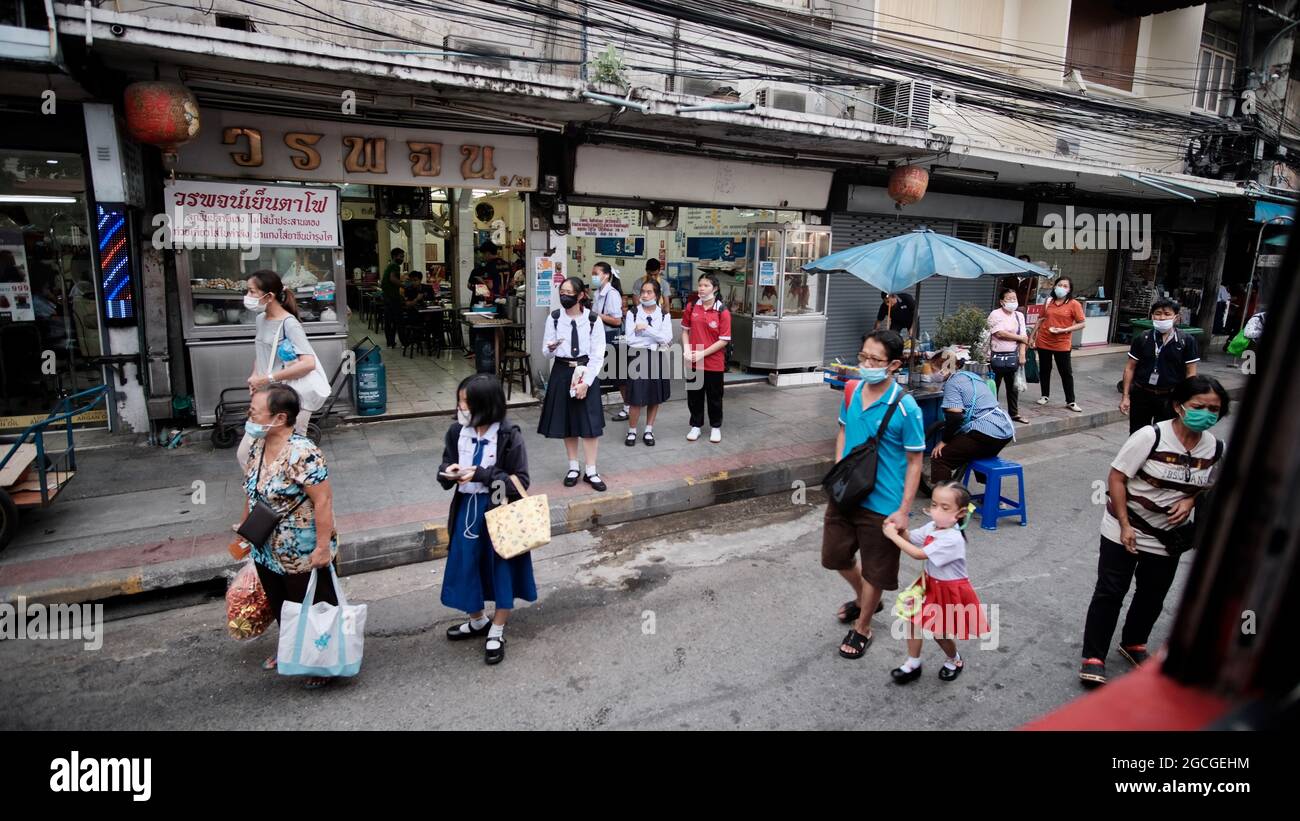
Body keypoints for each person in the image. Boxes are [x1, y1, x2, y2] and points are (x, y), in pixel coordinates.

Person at [1079, 375, 1229, 686]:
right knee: (1110, 592)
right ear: (1179, 406)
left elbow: (1207, 484)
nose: (1206, 413)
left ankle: (1134, 643)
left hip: (1168, 537)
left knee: (1152, 594)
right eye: (1198, 406)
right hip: (1125, 527)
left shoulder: (1214, 448)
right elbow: (1117, 479)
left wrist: (1189, 500)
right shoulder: (1151, 436)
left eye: (1214, 409)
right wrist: (1124, 525)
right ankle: (1094, 655)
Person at [822, 330, 926, 661]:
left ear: (894, 365)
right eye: (863, 356)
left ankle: (863, 626)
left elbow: (914, 461)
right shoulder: (851, 390)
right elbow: (842, 430)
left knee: (875, 572)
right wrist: (840, 469)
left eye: (875, 360)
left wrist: (904, 510)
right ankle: (865, 598)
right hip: (845, 496)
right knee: (834, 557)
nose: (866, 364)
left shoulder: (906, 407)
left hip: (883, 506)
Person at [241, 383, 338, 690]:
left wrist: (323, 548)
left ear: (279, 418)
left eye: (255, 412)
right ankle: (291, 650)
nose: (249, 416)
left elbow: (323, 501)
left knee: (310, 605)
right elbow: (252, 491)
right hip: (266, 548)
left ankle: (323, 662)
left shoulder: (304, 453)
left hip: (301, 549)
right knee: (282, 604)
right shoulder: (259, 446)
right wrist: (245, 532)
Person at [439, 374, 537, 665]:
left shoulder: (508, 434)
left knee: (501, 568)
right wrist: (449, 473)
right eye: (460, 402)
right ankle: (478, 619)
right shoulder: (457, 432)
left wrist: (481, 475)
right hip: (466, 509)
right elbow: (445, 463)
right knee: (466, 565)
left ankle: (498, 627)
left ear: (485, 405)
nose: (461, 408)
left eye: (466, 403)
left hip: (498, 510)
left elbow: (520, 481)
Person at [882, 480, 988, 683]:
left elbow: (918, 554)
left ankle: (954, 659)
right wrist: (897, 526)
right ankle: (913, 663)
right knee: (911, 619)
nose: (936, 510)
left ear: (960, 513)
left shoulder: (952, 539)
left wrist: (892, 536)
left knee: (939, 633)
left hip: (948, 590)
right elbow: (912, 537)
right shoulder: (934, 525)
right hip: (929, 584)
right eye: (933, 504)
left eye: (944, 507)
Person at [238, 270, 324, 468]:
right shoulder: (261, 319)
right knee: (248, 454)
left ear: (269, 296)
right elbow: (262, 352)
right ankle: (268, 490)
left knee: (291, 456)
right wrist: (254, 376)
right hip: (266, 396)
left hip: (289, 398)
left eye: (252, 292)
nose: (247, 297)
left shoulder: (289, 324)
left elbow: (308, 363)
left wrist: (267, 378)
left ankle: (296, 494)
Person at [539, 276, 608, 491]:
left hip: (586, 370)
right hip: (561, 371)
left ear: (581, 296)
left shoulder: (593, 320)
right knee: (567, 422)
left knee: (589, 424)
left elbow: (598, 355)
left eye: (569, 293)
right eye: (562, 292)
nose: (564, 296)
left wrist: (585, 383)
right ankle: (572, 467)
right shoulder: (555, 317)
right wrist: (551, 347)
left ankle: (591, 470)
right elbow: (545, 352)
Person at [1120, 299, 1200, 434]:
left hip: (1170, 396)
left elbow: (1191, 373)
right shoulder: (1142, 338)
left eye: (1167, 314)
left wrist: (1186, 400)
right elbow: (1130, 368)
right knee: (1137, 434)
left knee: (1164, 436)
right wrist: (1125, 396)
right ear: (1152, 316)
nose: (1162, 317)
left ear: (1176, 317)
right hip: (1142, 394)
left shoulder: (1186, 341)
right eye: (1158, 313)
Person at [622, 278, 673, 447]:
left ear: (657, 295)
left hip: (657, 357)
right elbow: (630, 340)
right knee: (636, 396)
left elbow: (667, 339)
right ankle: (632, 431)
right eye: (643, 292)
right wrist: (654, 338)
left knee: (654, 396)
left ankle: (649, 429)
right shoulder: (633, 313)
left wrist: (645, 328)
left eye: (649, 292)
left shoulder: (664, 315)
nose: (644, 295)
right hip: (637, 357)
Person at [681, 273, 731, 443]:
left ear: (715, 289)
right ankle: (695, 425)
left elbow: (724, 340)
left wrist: (703, 353)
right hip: (693, 360)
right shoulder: (692, 306)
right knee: (694, 396)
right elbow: (685, 330)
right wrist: (687, 349)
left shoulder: (722, 311)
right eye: (700, 285)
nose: (701, 289)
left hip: (714, 363)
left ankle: (715, 427)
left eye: (706, 286)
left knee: (714, 397)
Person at [1033, 275, 1086, 412]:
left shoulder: (1074, 304)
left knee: (1066, 372)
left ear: (1069, 289)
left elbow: (1082, 323)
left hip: (1062, 342)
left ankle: (1071, 401)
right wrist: (1031, 337)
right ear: (1054, 286)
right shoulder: (1048, 301)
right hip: (1044, 340)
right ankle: (1044, 395)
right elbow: (1040, 319)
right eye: (1059, 285)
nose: (1061, 288)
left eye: (1065, 286)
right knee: (1044, 370)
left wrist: (1065, 330)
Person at [588, 262, 628, 420]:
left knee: (620, 376)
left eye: (596, 273)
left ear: (606, 275)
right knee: (606, 374)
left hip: (611, 339)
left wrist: (596, 315)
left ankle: (628, 406)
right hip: (600, 339)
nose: (593, 277)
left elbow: (617, 321)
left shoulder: (611, 294)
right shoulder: (598, 292)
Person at [987, 287, 1030, 424]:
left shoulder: (1019, 316)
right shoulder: (995, 314)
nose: (1013, 301)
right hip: (996, 356)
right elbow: (999, 333)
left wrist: (1022, 354)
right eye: (1009, 299)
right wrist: (1019, 338)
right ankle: (990, 413)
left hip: (1013, 356)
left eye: (1014, 298)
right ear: (1001, 301)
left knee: (1013, 387)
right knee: (994, 386)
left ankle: (1014, 413)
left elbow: (1024, 337)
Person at [468, 240, 509, 305]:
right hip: (505, 303)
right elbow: (512, 283)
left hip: (488, 306)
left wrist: (480, 283)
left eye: (482, 254)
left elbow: (470, 286)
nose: (482, 256)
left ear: (487, 253)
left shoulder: (484, 269)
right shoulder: (508, 265)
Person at [381, 247, 405, 348]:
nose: (402, 259)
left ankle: (390, 341)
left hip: (387, 296)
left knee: (389, 320)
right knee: (398, 320)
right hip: (392, 297)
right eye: (401, 256)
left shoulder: (390, 265)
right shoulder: (395, 266)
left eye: (403, 257)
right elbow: (392, 278)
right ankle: (404, 341)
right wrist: (403, 285)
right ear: (395, 256)